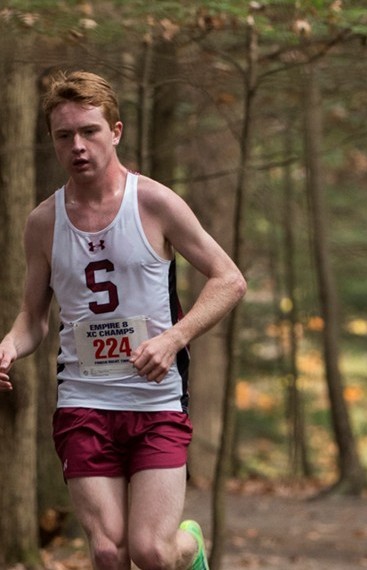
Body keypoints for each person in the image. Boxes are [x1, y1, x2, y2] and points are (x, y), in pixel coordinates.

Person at [0, 70, 246, 570]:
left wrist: (174, 339)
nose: (78, 146)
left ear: (115, 131)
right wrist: (8, 346)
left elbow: (229, 279)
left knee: (152, 552)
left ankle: (190, 545)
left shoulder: (154, 202)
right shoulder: (43, 222)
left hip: (155, 398)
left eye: (89, 131)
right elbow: (33, 317)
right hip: (83, 401)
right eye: (64, 135)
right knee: (109, 552)